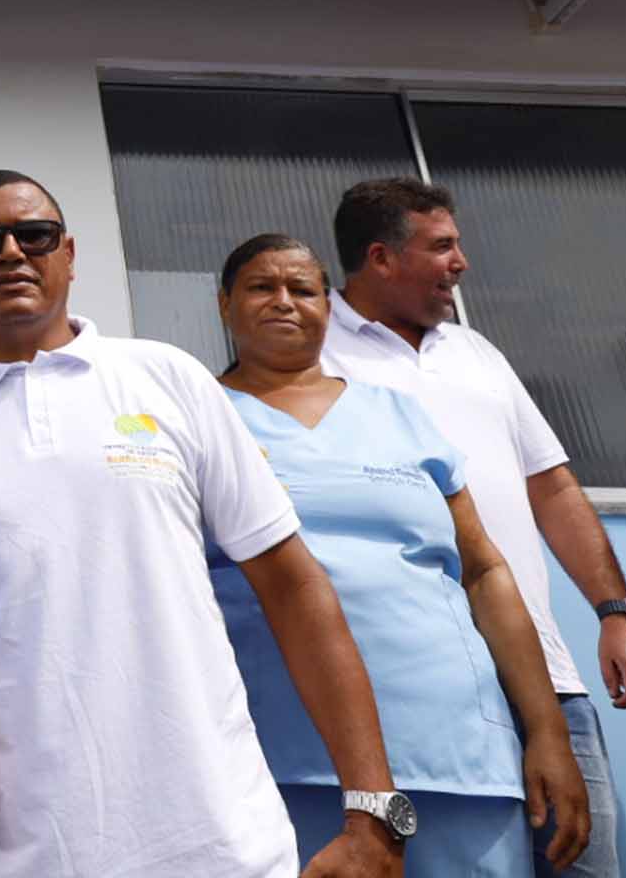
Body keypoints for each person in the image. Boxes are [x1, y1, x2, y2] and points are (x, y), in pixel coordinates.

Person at [0, 170, 406, 878]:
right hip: (27, 857)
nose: (11, 253)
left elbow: (293, 586)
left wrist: (372, 805)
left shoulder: (167, 377)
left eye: (35, 236)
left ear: (69, 255)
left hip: (223, 847)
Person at [211, 233, 589, 876]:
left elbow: (484, 572)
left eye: (302, 289)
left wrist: (547, 731)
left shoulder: (399, 414)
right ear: (224, 304)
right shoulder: (202, 417)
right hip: (282, 760)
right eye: (261, 287)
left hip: (459, 754)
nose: (284, 302)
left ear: (328, 307)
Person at [322, 178, 626, 878]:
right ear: (381, 258)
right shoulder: (313, 357)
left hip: (544, 677)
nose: (462, 262)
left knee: (582, 863)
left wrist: (617, 614)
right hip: (407, 686)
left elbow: (553, 488)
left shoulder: (476, 353)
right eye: (442, 246)